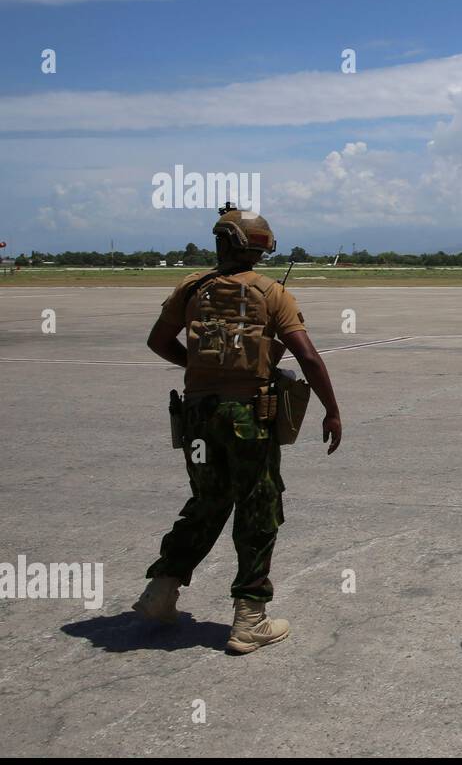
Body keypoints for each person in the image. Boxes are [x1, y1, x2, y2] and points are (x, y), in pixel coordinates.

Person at [132, 205, 342, 655]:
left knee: (207, 501)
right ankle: (250, 617)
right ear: (259, 248)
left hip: (198, 416)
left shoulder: (191, 288)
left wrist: (204, 367)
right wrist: (332, 410)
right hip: (248, 417)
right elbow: (306, 357)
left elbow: (157, 341)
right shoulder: (271, 293)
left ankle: (161, 590)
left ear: (221, 243)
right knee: (258, 509)